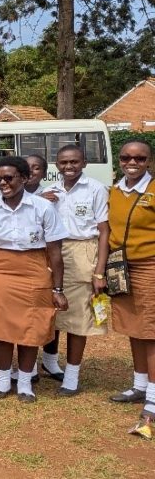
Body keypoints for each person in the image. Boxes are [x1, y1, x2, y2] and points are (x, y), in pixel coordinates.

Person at [0, 156, 68, 403]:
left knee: (31, 326)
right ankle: (3, 381)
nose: (3, 182)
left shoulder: (43, 207)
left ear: (24, 179)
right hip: (1, 268)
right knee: (0, 326)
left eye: (9, 178)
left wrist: (57, 288)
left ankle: (25, 383)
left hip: (34, 267)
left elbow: (55, 251)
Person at [37, 145, 109, 396]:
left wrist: (99, 270)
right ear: (57, 165)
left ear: (84, 163)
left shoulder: (95, 189)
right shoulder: (50, 192)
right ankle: (49, 360)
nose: (69, 167)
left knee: (79, 317)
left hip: (82, 251)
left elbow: (104, 231)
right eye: (64, 162)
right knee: (51, 312)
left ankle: (72, 375)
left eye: (74, 162)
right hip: (53, 252)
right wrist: (39, 201)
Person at [106, 139, 155, 439]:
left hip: (149, 266)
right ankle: (139, 385)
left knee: (151, 331)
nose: (131, 162)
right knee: (133, 327)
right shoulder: (114, 190)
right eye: (126, 157)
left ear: (149, 160)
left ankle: (153, 395)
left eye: (139, 158)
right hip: (121, 267)